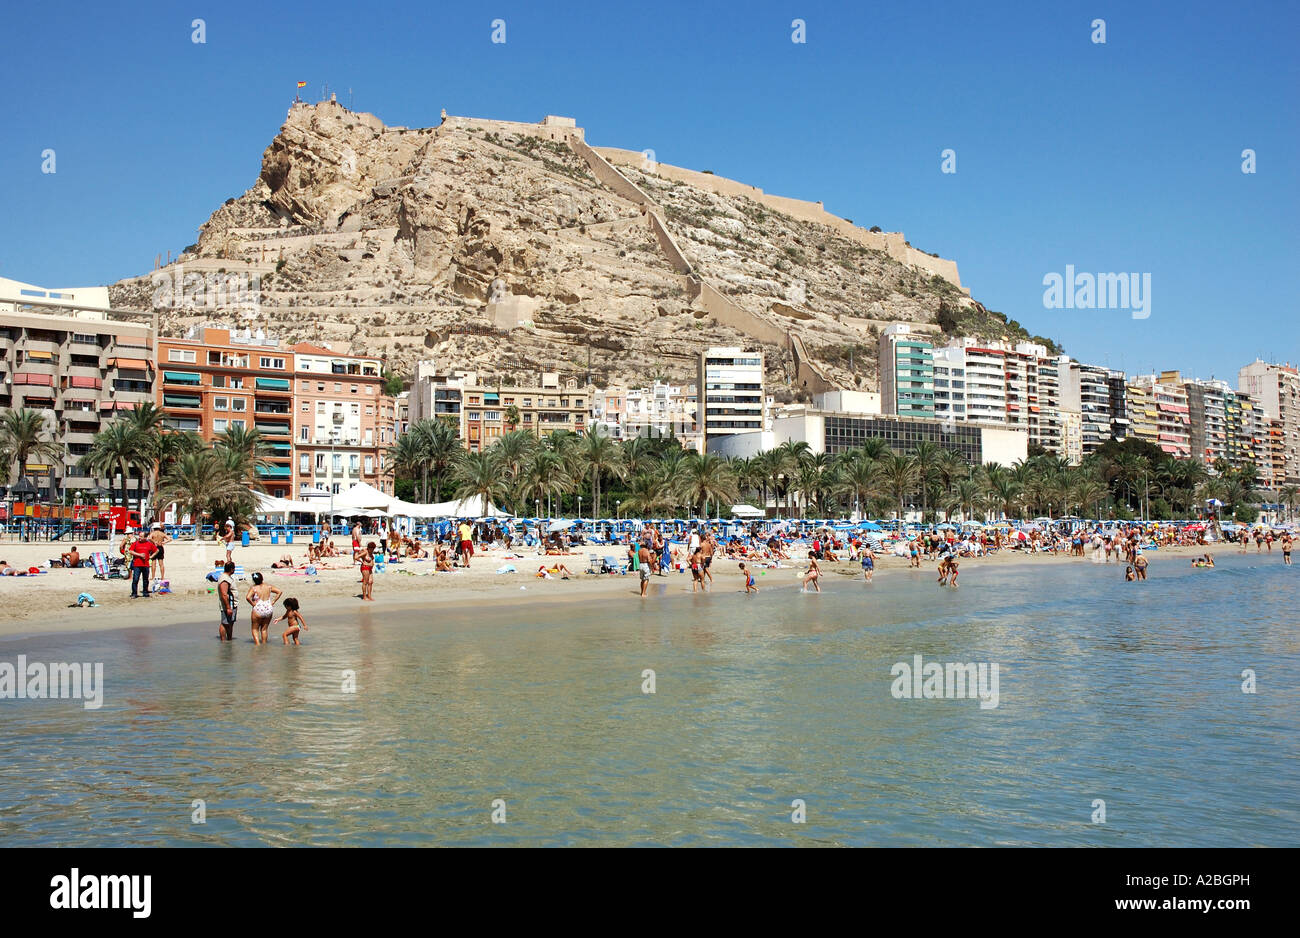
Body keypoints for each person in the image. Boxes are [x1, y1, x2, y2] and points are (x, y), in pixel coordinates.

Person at [245, 572, 283, 645]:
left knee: (255, 629)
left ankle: (258, 645)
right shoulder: (268, 586)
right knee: (264, 629)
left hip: (258, 608)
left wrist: (253, 604)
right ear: (262, 578)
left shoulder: (253, 588)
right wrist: (273, 601)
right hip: (268, 607)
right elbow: (279, 592)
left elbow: (247, 597)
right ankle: (264, 645)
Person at [128, 531, 158, 598]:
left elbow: (156, 550)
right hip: (137, 564)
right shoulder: (135, 543)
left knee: (145, 579)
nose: (139, 538)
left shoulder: (149, 544)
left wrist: (151, 557)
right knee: (135, 579)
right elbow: (130, 551)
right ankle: (134, 593)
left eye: (141, 536)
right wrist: (139, 555)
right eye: (139, 536)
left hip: (145, 564)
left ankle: (145, 592)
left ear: (145, 537)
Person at [217, 561, 238, 641]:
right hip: (228, 605)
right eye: (234, 568)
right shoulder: (224, 579)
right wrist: (228, 607)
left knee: (230, 623)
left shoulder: (227, 577)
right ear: (232, 569)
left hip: (232, 604)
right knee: (225, 623)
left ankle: (229, 640)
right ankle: (223, 640)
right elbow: (224, 594)